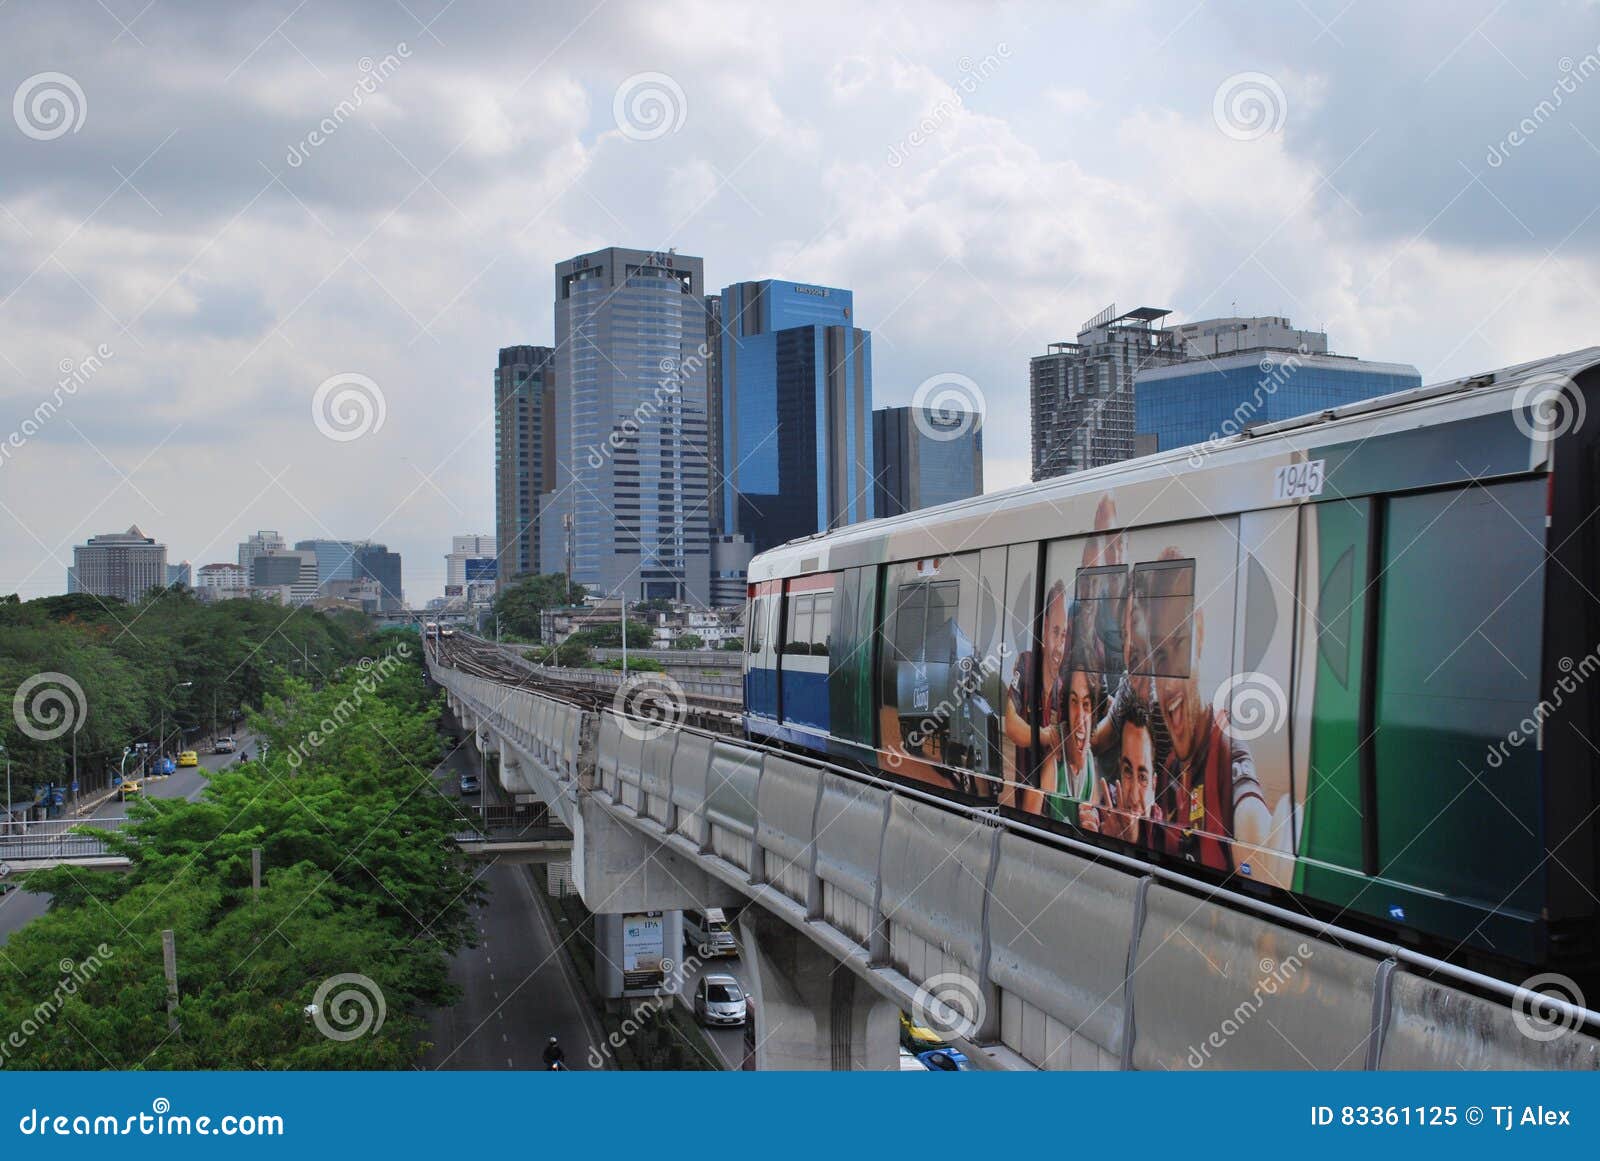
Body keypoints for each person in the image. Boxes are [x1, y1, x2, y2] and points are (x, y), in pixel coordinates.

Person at [1098, 696, 1162, 846]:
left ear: (1154, 783)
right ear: (1120, 770)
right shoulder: (1103, 814)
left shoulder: (1164, 834)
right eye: (1127, 771)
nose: (1133, 798)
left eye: (1142, 777)